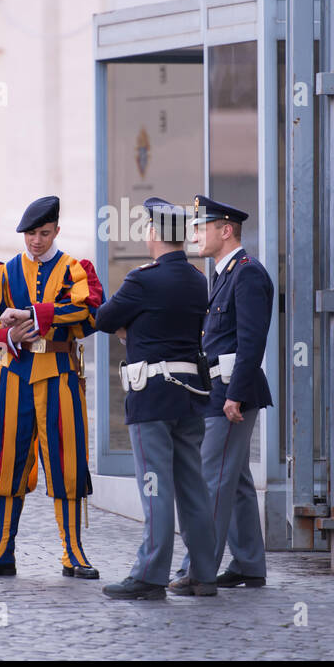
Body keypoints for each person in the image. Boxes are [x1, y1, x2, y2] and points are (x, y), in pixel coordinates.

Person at [0, 195, 104, 578]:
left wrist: (30, 314)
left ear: (57, 230)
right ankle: (1, 549)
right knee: (8, 459)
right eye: (30, 234)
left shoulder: (76, 268)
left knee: (66, 460)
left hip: (59, 372)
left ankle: (72, 550)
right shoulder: (3, 273)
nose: (36, 241)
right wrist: (7, 337)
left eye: (44, 233)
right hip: (14, 374)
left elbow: (91, 310)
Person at [95, 197, 219, 600]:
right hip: (189, 396)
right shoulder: (198, 279)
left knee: (155, 488)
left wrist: (130, 327)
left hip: (152, 396)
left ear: (152, 233)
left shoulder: (142, 280)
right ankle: (203, 575)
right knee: (192, 488)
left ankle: (150, 576)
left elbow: (104, 319)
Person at [170, 194, 274, 592]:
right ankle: (249, 564)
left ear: (226, 230)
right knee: (237, 482)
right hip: (218, 390)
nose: (195, 234)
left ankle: (198, 571)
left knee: (211, 481)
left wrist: (235, 394)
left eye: (202, 227)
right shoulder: (224, 273)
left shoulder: (246, 273)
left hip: (231, 394)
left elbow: (251, 341)